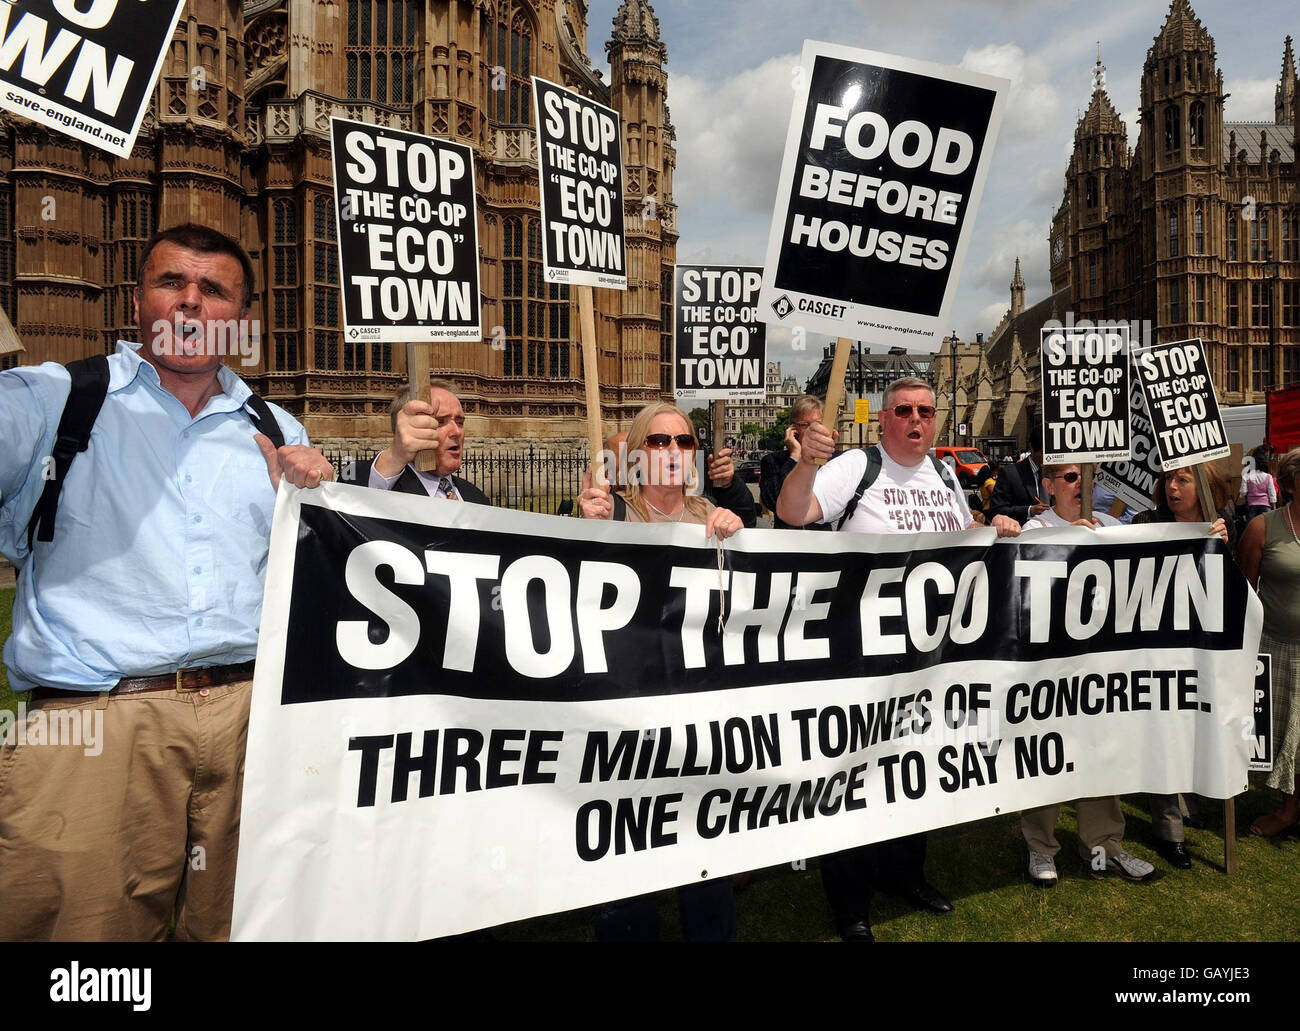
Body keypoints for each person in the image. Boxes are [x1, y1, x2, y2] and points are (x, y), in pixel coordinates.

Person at [0, 223, 334, 941]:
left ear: (241, 320)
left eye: (213, 290)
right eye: (171, 283)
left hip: (250, 721)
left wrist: (320, 507)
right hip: (96, 725)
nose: (190, 303)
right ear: (137, 299)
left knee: (247, 926)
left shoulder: (278, 429)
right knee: (85, 950)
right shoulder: (56, 399)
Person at [776, 376, 1022, 941]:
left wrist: (994, 527)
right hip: (861, 662)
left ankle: (905, 875)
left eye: (926, 411)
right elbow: (794, 515)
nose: (916, 420)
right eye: (905, 411)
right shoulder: (856, 468)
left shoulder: (941, 474)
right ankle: (851, 905)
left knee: (917, 775)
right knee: (857, 780)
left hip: (930, 662)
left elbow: (963, 539)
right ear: (884, 419)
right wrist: (807, 465)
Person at [576, 401, 741, 939]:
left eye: (684, 442)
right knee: (631, 860)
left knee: (705, 854)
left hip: (699, 716)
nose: (672, 451)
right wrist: (584, 526)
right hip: (629, 716)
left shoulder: (709, 517)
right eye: (659, 441)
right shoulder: (614, 513)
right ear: (637, 452)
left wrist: (737, 528)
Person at [1018, 463, 1155, 885]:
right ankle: (1040, 847)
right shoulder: (1035, 528)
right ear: (1049, 486)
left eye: (1087, 476)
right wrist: (1068, 541)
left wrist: (1208, 539)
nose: (1081, 485)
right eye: (1071, 478)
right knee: (1046, 754)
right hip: (1050, 668)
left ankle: (1104, 843)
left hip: (1100, 668)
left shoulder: (1112, 525)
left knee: (1101, 752)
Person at [1132, 463, 1232, 867]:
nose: (1172, 487)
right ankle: (1168, 830)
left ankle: (1190, 801)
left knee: (1196, 728)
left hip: (1203, 649)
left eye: (1183, 480)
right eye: (1168, 480)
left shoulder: (1223, 527)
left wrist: (1223, 544)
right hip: (1158, 650)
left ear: (1207, 488)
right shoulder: (1146, 522)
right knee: (1165, 733)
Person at [1238, 449, 1300, 837]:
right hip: (1279, 647)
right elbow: (1243, 589)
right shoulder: (1263, 528)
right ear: (1292, 484)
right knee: (1290, 731)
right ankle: (1289, 808)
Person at [346, 380, 488, 503]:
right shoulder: (377, 487)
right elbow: (354, 501)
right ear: (405, 429)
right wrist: (395, 456)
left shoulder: (476, 497)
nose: (456, 432)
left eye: (460, 422)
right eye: (439, 422)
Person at [761, 395, 825, 529]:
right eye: (805, 425)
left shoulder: (836, 461)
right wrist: (795, 456)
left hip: (824, 542)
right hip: (787, 542)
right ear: (793, 429)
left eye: (817, 424)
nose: (812, 430)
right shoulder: (773, 461)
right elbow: (772, 501)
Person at [987, 435, 1048, 524]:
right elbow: (997, 510)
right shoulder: (1010, 474)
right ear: (1031, 448)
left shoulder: (1056, 472)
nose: (1047, 458)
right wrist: (1029, 510)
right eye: (1042, 453)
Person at [1238, 446, 1277, 523]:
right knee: (1266, 527)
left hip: (1251, 506)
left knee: (1252, 527)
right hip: (1266, 506)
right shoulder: (1268, 477)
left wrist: (1243, 496)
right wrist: (1274, 508)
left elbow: (1243, 492)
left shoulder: (1246, 476)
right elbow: (1272, 494)